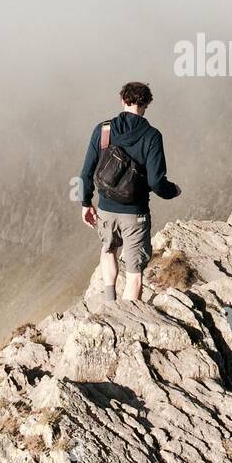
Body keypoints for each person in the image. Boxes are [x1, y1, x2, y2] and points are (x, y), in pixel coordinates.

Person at [79, 81, 180, 302]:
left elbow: (86, 172)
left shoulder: (103, 130)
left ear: (122, 100)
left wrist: (86, 203)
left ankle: (109, 302)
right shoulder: (152, 136)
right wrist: (173, 190)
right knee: (134, 275)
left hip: (106, 209)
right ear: (146, 104)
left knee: (108, 250)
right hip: (136, 214)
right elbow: (156, 181)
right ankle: (126, 316)